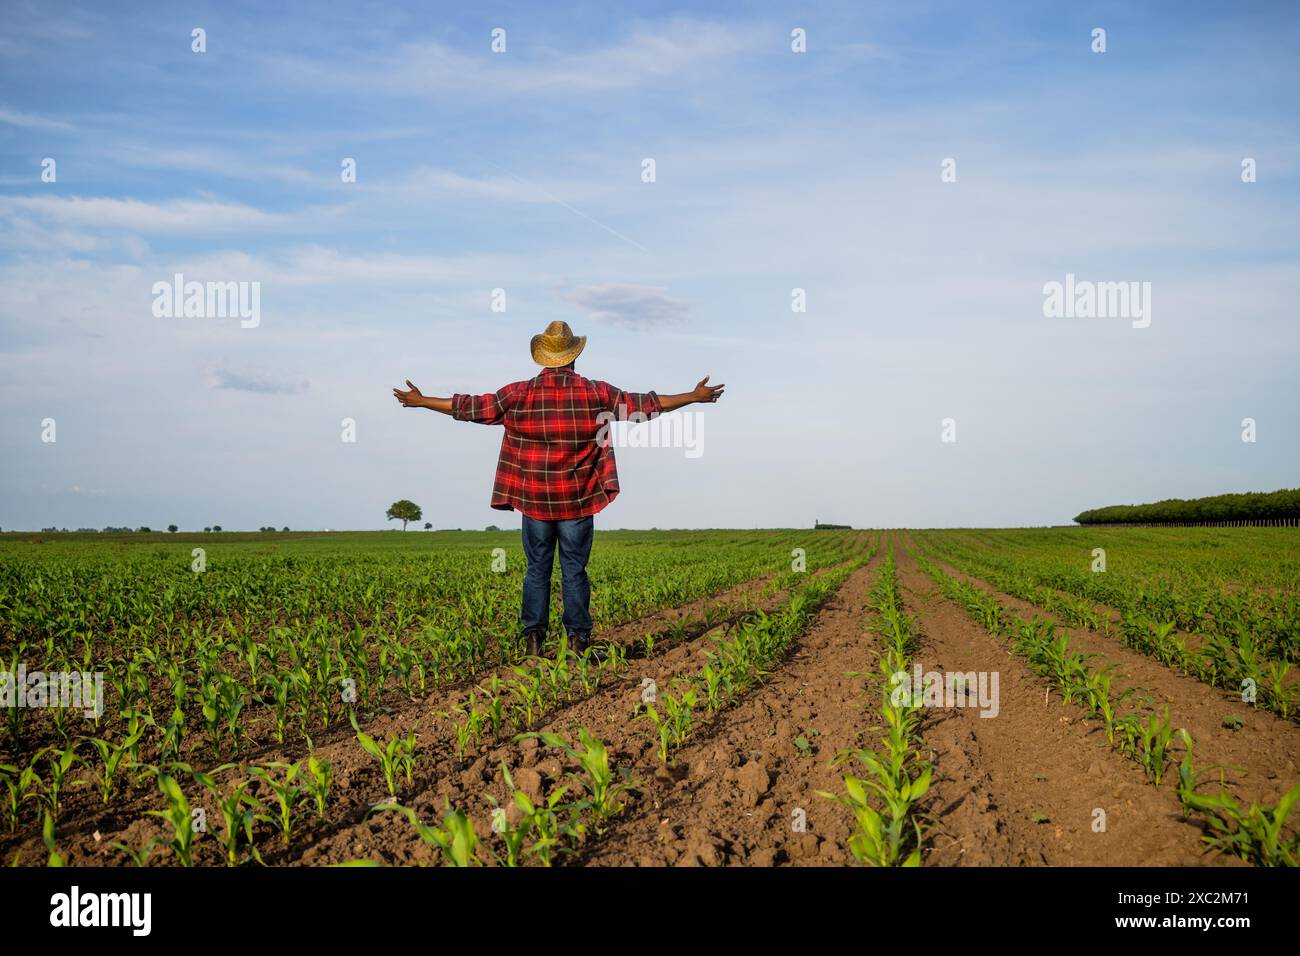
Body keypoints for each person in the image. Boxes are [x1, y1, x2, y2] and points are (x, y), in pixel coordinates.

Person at [393, 320, 724, 657]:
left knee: (537, 569)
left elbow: (470, 406)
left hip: (534, 501)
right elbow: (646, 404)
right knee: (574, 570)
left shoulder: (518, 393)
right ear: (573, 357)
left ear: (543, 358)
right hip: (577, 502)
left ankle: (534, 639)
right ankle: (578, 642)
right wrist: (693, 397)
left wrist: (422, 401)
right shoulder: (595, 393)